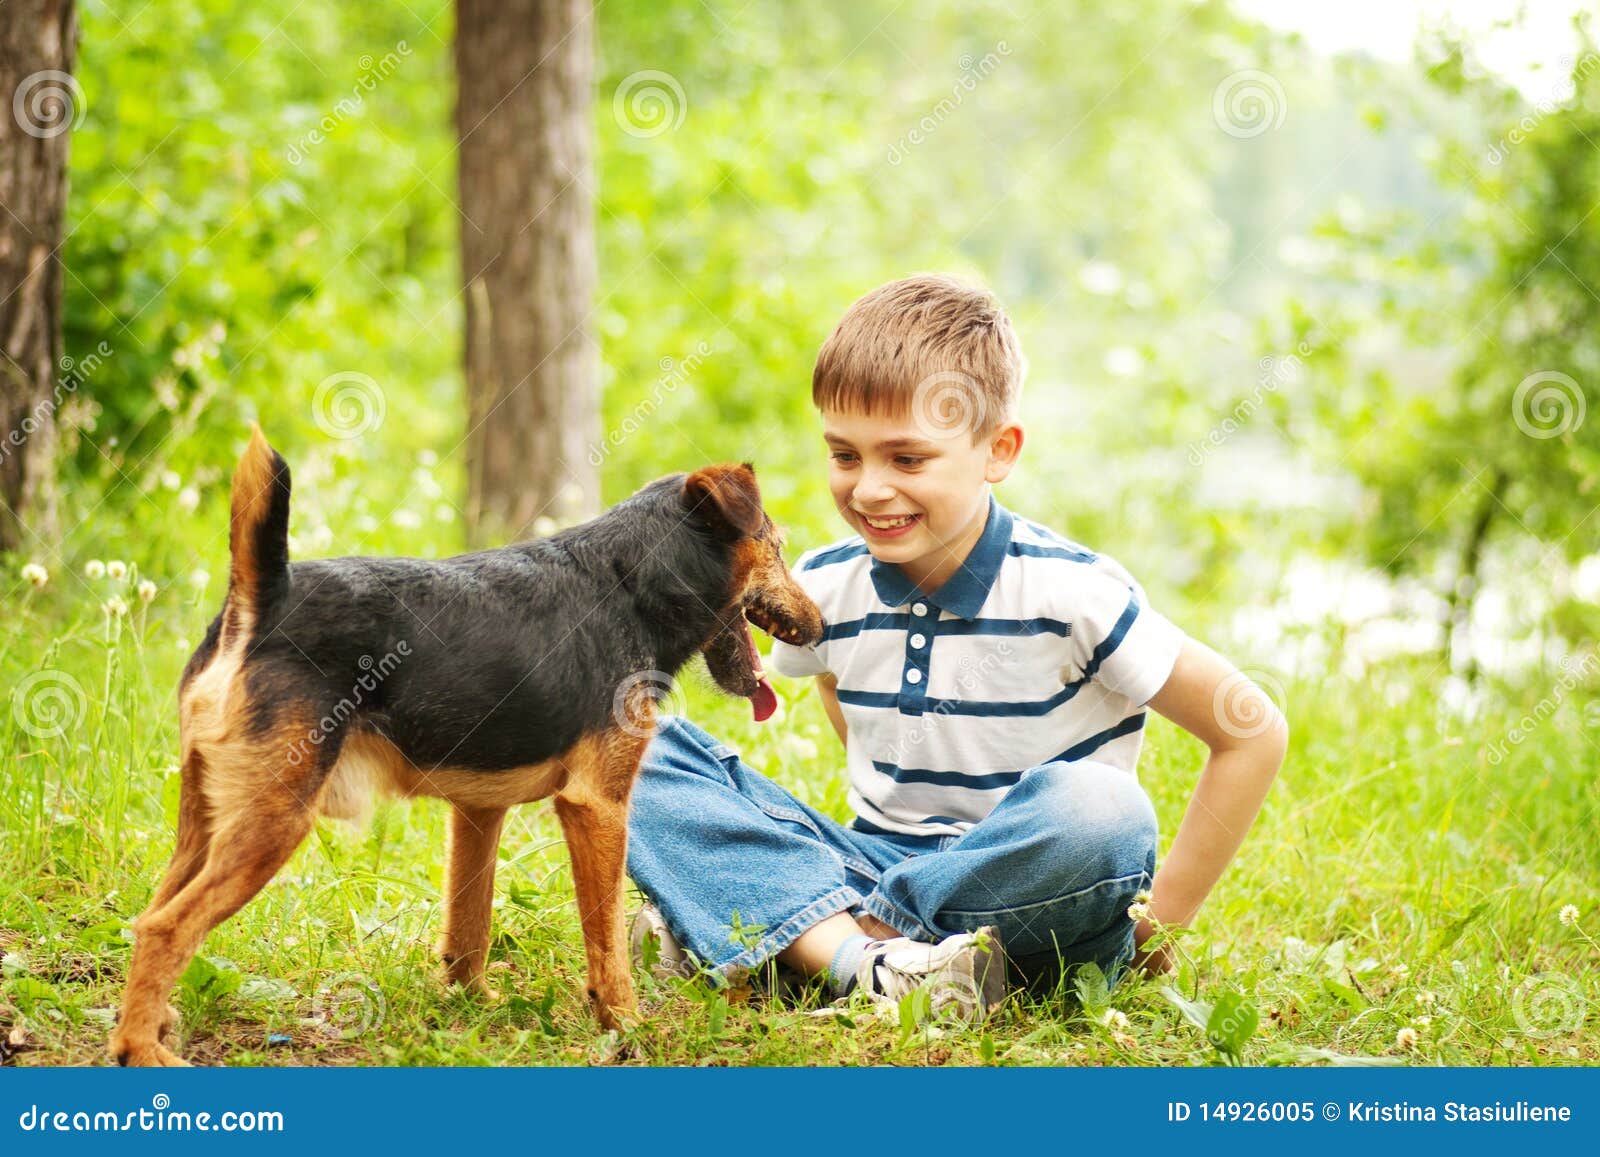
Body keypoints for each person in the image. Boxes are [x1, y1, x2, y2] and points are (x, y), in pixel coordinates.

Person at [625, 273, 1288, 1018]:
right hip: (872, 858)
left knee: (1102, 807)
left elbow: (1251, 730)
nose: (870, 489)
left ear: (997, 450)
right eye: (845, 455)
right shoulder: (825, 584)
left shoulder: (1074, 593)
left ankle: (810, 938)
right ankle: (873, 963)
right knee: (627, 737)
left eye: (907, 459)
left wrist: (1157, 927)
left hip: (1035, 901)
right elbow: (839, 691)